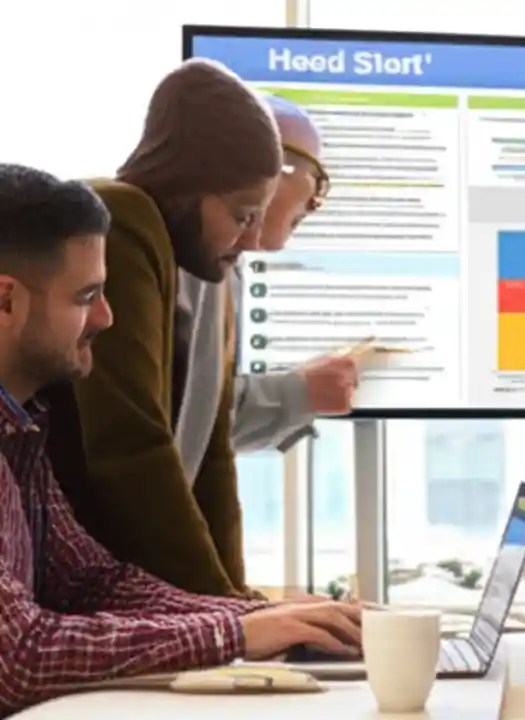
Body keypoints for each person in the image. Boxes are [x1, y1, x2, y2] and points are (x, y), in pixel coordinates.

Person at [0, 163, 361, 716]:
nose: (108, 317)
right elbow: (19, 658)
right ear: (5, 302)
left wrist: (251, 618)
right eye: (86, 295)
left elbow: (94, 582)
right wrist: (234, 637)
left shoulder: (19, 428)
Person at [44, 58, 282, 598]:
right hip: (85, 592)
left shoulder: (212, 272)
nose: (253, 239)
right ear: (184, 186)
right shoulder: (122, 219)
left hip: (140, 597)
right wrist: (226, 616)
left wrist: (237, 603)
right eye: (244, 215)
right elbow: (129, 445)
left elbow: (212, 457)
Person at [228, 93, 360, 454]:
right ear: (271, 167)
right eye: (316, 177)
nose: (317, 202)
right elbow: (188, 416)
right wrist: (301, 392)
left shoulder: (225, 269)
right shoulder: (194, 269)